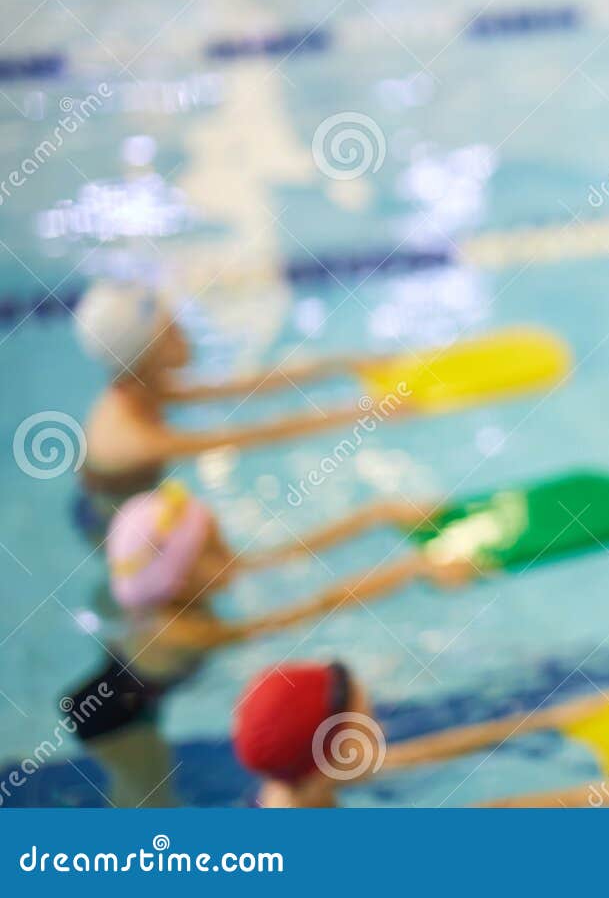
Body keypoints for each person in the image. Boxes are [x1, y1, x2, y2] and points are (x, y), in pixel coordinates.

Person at [64, 482, 467, 807]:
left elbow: (286, 554)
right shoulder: (183, 632)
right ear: (179, 579)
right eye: (215, 549)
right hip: (115, 715)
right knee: (148, 804)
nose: (231, 555)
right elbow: (308, 610)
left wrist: (373, 515)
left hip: (131, 683)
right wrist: (408, 572)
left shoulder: (182, 586)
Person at [71, 280, 397, 539]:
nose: (184, 333)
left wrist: (343, 364)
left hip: (134, 503)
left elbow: (246, 386)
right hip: (114, 526)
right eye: (171, 329)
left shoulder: (140, 386)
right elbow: (253, 437)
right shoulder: (134, 439)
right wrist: (366, 413)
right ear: (148, 353)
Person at [232, 662, 609, 808]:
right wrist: (596, 799)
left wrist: (547, 720)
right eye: (370, 722)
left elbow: (414, 755)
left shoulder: (296, 777)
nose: (382, 726)